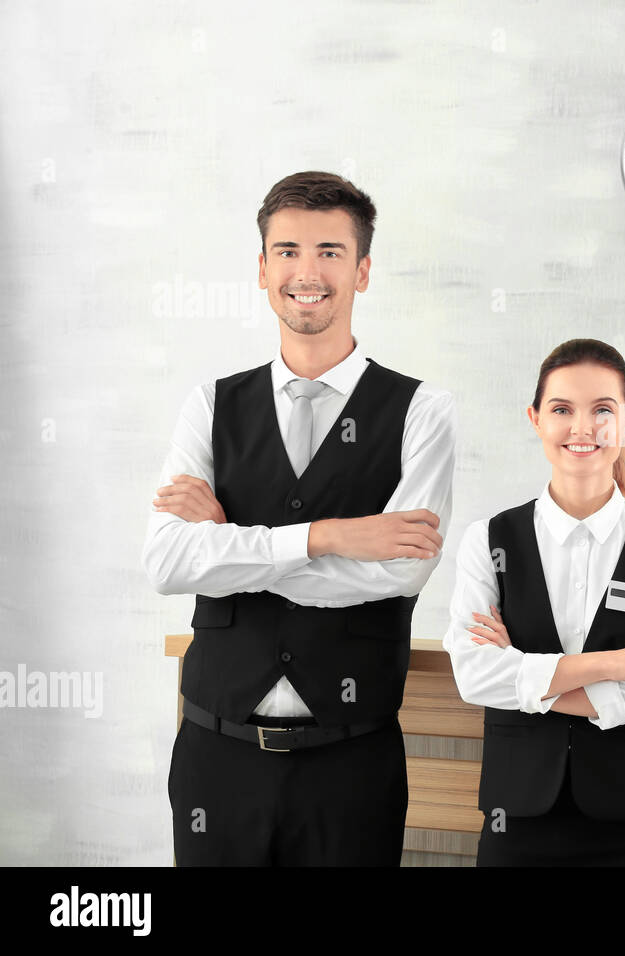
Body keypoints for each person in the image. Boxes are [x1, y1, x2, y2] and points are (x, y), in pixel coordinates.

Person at [141, 171, 456, 866]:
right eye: (286, 251)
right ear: (261, 269)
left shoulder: (422, 412)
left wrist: (230, 548)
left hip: (351, 768)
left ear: (363, 271)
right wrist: (329, 537)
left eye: (329, 252)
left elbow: (399, 571)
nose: (306, 272)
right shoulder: (209, 405)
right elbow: (166, 563)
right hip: (213, 760)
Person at [443, 338, 625, 866]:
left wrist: (523, 677)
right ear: (535, 418)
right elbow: (473, 676)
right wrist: (617, 664)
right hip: (516, 819)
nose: (582, 428)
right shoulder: (486, 540)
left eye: (603, 410)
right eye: (561, 409)